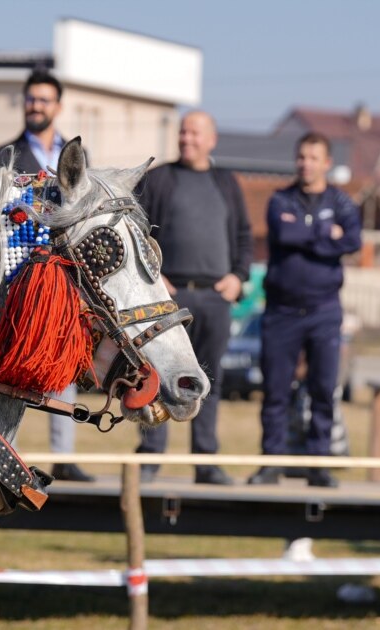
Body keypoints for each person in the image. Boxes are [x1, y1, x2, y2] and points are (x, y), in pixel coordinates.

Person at [0, 69, 93, 483]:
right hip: (13, 279)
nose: (36, 106)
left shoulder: (78, 156)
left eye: (44, 100)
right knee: (4, 367)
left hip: (60, 280)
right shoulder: (1, 155)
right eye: (31, 99)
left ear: (58, 106)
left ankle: (63, 457)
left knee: (59, 365)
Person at [135, 111, 252, 486]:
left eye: (195, 133)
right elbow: (137, 230)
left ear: (212, 140)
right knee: (155, 376)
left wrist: (239, 277)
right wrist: (155, 276)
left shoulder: (226, 183)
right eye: (183, 132)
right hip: (169, 297)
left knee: (209, 381)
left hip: (215, 297)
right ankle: (151, 458)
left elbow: (245, 237)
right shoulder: (159, 179)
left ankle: (206, 461)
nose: (187, 139)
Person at [247, 132, 361, 488]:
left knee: (324, 390)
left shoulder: (342, 201)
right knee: (276, 391)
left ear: (327, 163)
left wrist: (308, 232)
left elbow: (353, 240)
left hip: (324, 311)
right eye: (301, 157)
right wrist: (326, 234)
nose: (306, 164)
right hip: (281, 311)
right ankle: (271, 462)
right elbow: (283, 234)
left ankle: (318, 464)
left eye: (313, 158)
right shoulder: (281, 199)